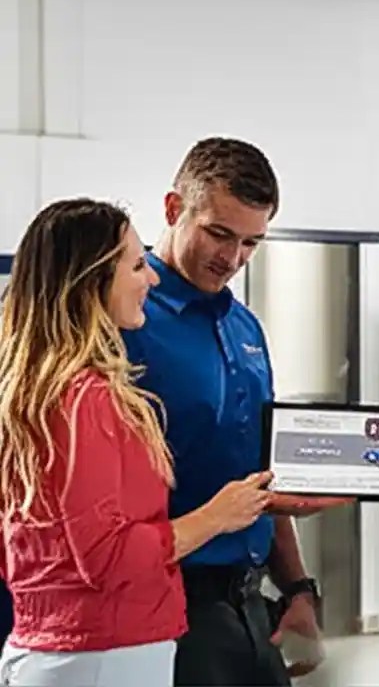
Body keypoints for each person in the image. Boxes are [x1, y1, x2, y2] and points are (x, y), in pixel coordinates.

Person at [0, 198, 274, 686]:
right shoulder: (85, 399)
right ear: (92, 282)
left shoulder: (36, 391)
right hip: (101, 650)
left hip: (70, 644)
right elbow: (105, 555)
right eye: (136, 265)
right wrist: (216, 516)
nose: (150, 278)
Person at [120, 137, 346, 686]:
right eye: (219, 234)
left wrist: (297, 589)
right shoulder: (124, 319)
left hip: (250, 602)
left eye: (251, 242)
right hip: (161, 605)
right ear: (174, 209)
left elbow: (260, 471)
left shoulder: (245, 327)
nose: (233, 258)